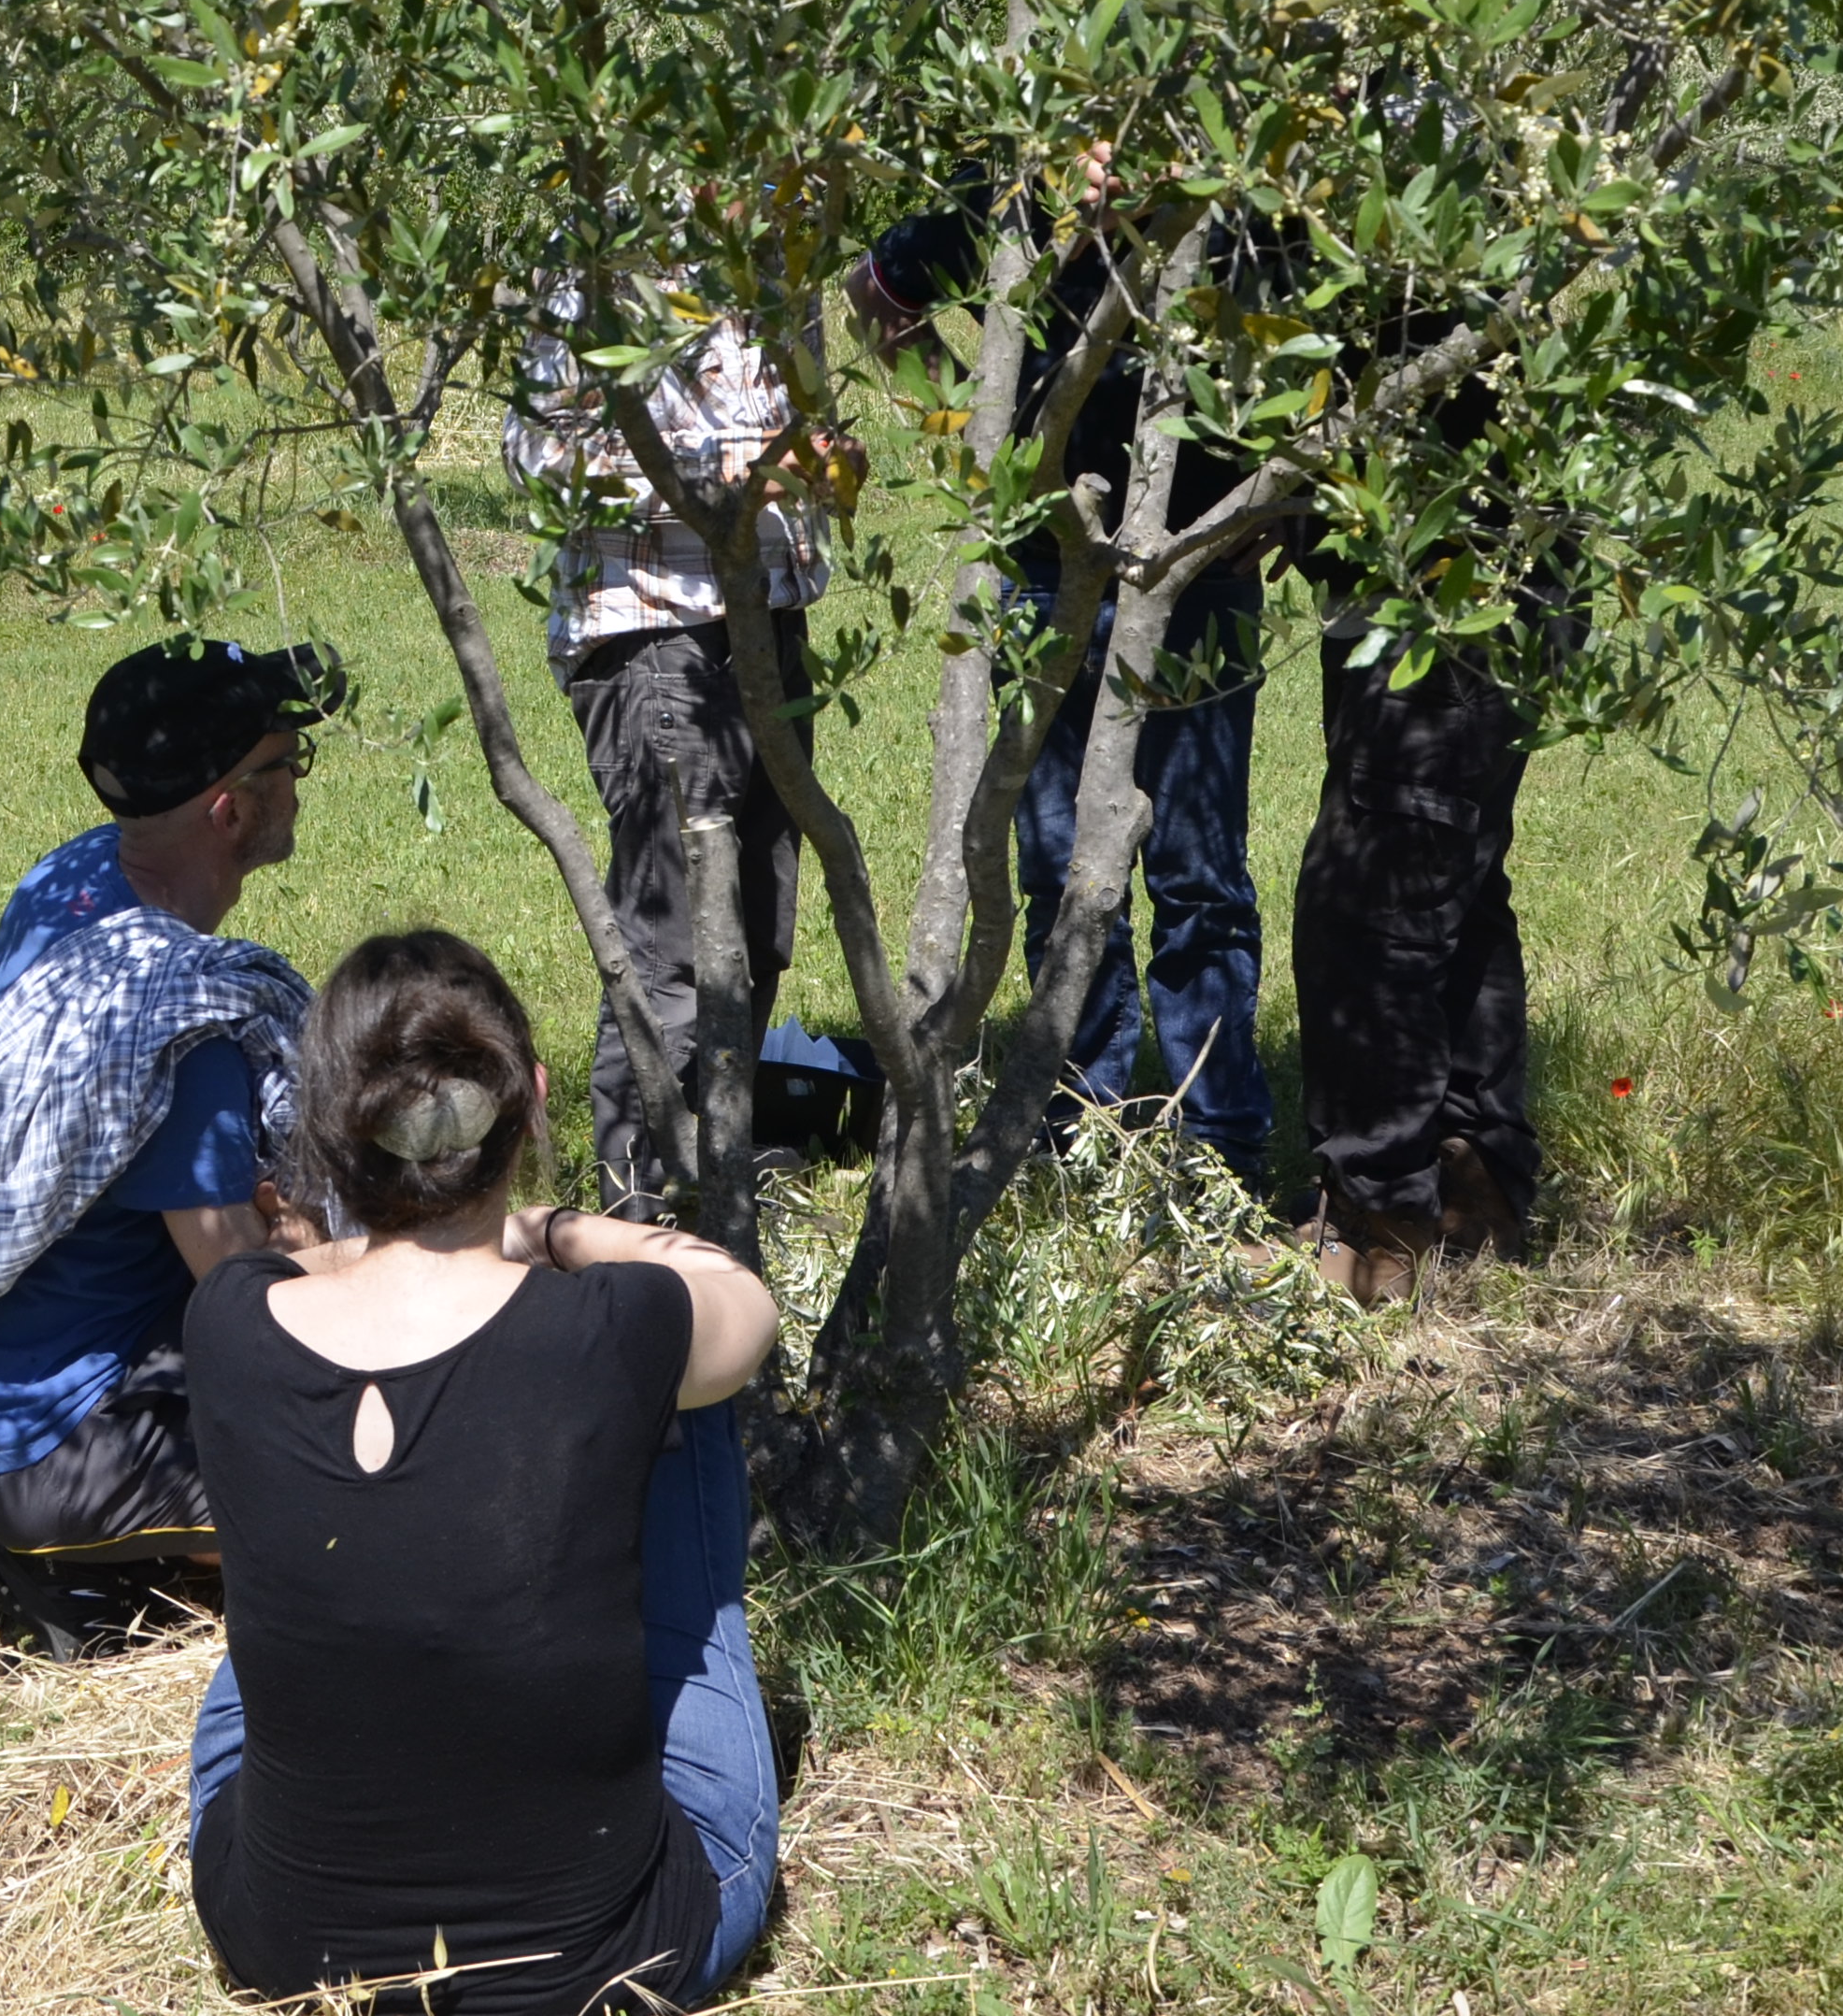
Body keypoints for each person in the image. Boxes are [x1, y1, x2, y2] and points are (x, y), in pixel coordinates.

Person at [184, 932, 783, 2016]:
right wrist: (545, 1230)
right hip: (611, 1954)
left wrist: (366, 1243)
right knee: (689, 1400)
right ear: (531, 1101)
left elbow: (295, 1268)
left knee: (307, 1565)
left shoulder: (226, 1321)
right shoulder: (609, 1327)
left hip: (280, 1937)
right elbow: (742, 1307)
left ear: (325, 1126)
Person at [0, 640, 339, 1659]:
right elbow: (245, 1300)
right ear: (229, 808)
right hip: (58, 1451)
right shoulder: (181, 1042)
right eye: (291, 763)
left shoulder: (68, 885)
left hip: (11, 1398)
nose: (300, 783)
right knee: (372, 1495)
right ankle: (91, 1560)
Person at [851, 190, 1272, 1181]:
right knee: (1058, 872)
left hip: (1197, 570)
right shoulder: (1014, 203)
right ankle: (1082, 1134)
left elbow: (1328, 344)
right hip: (1045, 572)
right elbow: (876, 298)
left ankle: (1221, 1155)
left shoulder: (1241, 197)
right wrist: (975, 433)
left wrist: (1273, 493)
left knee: (1197, 878)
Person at [504, 284, 837, 1213]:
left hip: (768, 619)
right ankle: (634, 1200)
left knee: (760, 919)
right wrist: (723, 477)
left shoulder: (780, 261)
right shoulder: (601, 268)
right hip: (647, 630)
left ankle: (716, 1165)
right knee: (671, 936)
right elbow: (537, 459)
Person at [1296, 582, 1570, 1301]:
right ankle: (1475, 1187)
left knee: (1371, 906)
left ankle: (1379, 1228)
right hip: (1449, 610)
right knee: (1454, 888)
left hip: (1436, 609)